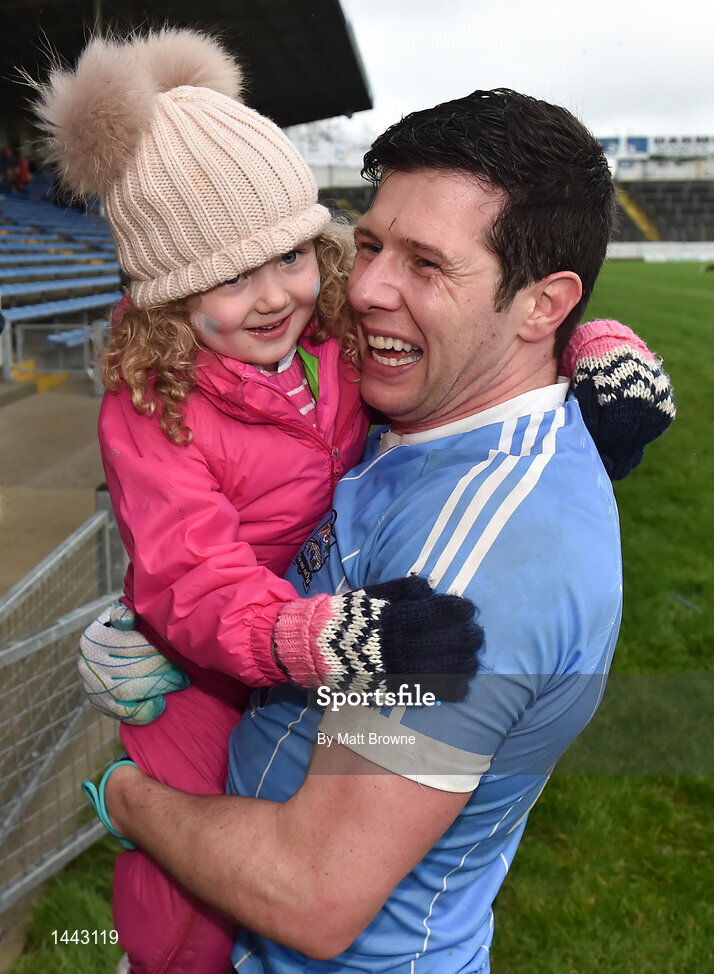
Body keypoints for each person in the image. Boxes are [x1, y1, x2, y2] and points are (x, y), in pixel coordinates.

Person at [75, 85, 676, 973]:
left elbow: (309, 892)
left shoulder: (475, 563)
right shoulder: (406, 400)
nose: (361, 289)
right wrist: (169, 617)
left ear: (542, 305)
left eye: (424, 264)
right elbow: (218, 548)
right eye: (367, 246)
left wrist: (124, 797)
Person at [34, 29, 486, 974]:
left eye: (286, 254)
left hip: (305, 641)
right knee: (197, 899)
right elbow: (195, 580)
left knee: (326, 854)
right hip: (198, 678)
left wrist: (589, 354)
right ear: (168, 294)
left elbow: (481, 333)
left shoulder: (335, 323)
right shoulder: (152, 403)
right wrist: (333, 638)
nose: (275, 294)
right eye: (229, 276)